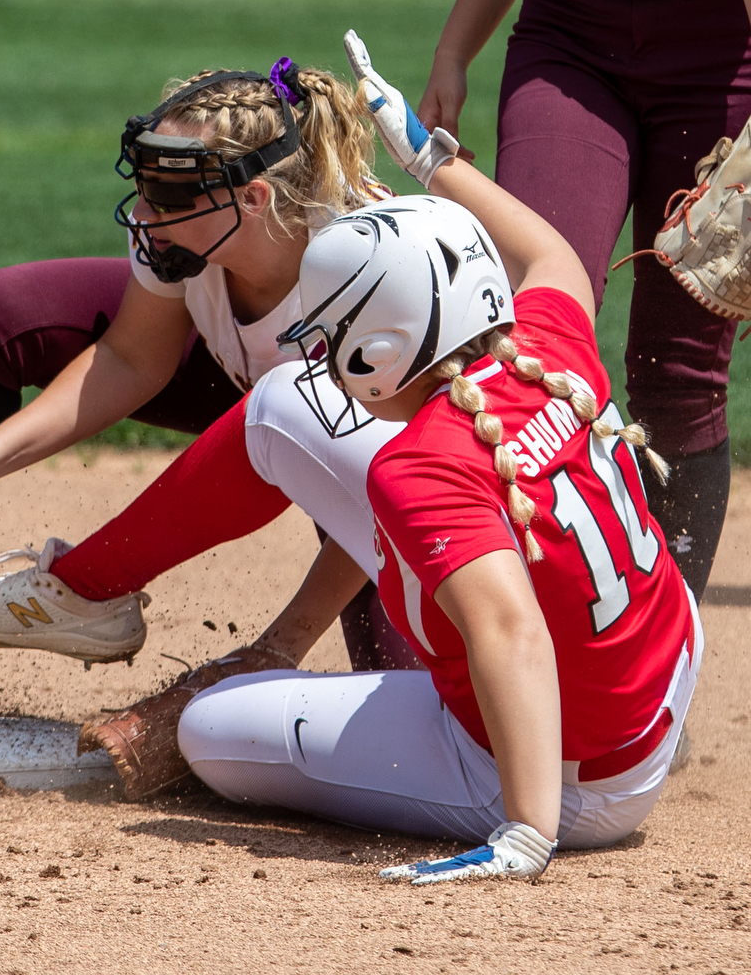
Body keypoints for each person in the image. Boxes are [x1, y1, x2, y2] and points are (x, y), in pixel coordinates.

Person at [174, 70, 703, 884]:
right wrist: (430, 161)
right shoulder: (548, 339)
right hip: (665, 667)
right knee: (285, 415)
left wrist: (527, 831)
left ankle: (526, 807)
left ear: (380, 350)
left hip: (585, 781)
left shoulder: (420, 466)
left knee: (207, 730)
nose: (324, 358)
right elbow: (553, 254)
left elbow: (511, 632)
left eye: (333, 338)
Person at [0, 56, 411, 754]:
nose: (146, 215)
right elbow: (133, 358)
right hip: (257, 385)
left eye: (169, 197)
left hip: (407, 466)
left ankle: (96, 594)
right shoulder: (191, 234)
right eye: (146, 188)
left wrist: (277, 646)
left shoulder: (367, 269)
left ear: (252, 198)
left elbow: (387, 490)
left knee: (414, 705)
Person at [410, 0, 751, 604]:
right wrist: (452, 51)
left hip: (720, 44)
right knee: (528, 334)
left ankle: (669, 639)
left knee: (678, 373)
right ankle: (515, 623)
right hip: (568, 40)